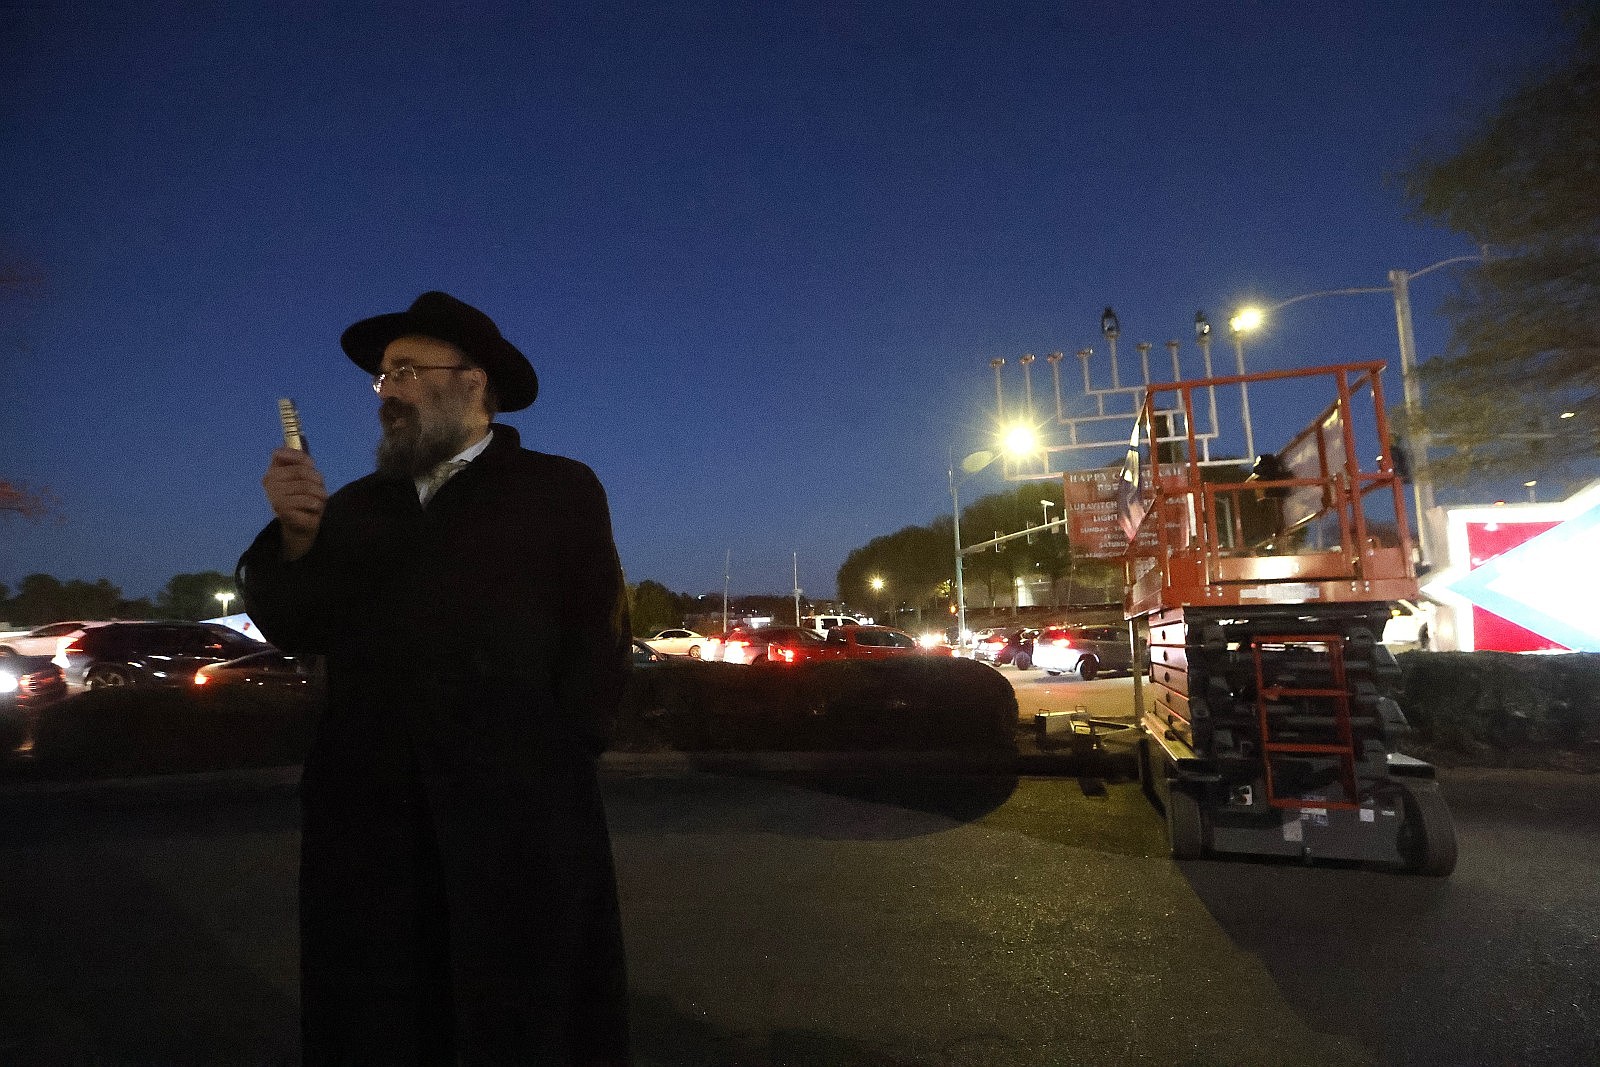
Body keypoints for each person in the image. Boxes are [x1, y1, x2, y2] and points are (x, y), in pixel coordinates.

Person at [237, 291, 632, 1065]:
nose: (388, 392)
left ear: (475, 382)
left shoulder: (557, 490)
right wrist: (292, 538)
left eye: (408, 371)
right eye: (383, 377)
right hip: (372, 817)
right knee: (382, 1009)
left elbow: (601, 636)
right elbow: (297, 622)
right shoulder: (354, 507)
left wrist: (558, 753)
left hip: (519, 814)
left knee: (521, 1008)